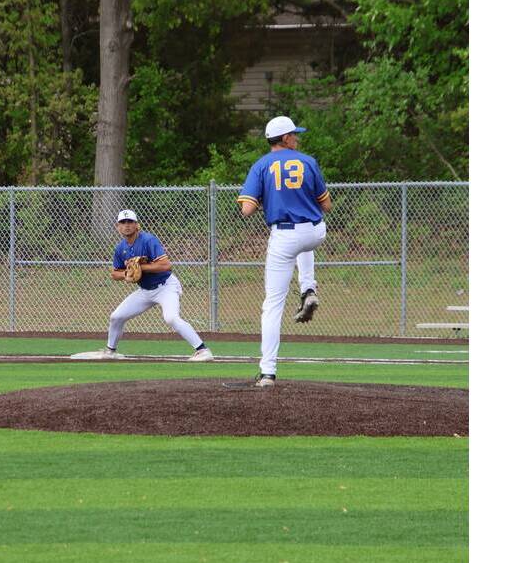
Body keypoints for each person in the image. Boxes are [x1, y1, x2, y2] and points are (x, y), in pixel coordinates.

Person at [237, 116, 332, 386]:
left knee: (272, 305)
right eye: (294, 135)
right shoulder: (308, 161)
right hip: (315, 231)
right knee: (304, 244)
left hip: (285, 235)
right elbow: (327, 206)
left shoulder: (260, 165)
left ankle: (268, 372)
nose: (297, 138)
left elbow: (247, 209)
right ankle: (307, 289)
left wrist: (258, 198)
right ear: (286, 139)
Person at [93, 209, 214, 362]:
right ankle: (111, 351)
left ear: (137, 225)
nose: (127, 225)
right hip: (145, 291)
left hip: (166, 287)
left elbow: (165, 265)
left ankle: (203, 350)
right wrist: (126, 274)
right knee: (116, 317)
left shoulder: (148, 240)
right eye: (123, 223)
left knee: (171, 318)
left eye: (130, 222)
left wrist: (140, 267)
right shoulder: (120, 248)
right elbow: (115, 273)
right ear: (117, 226)